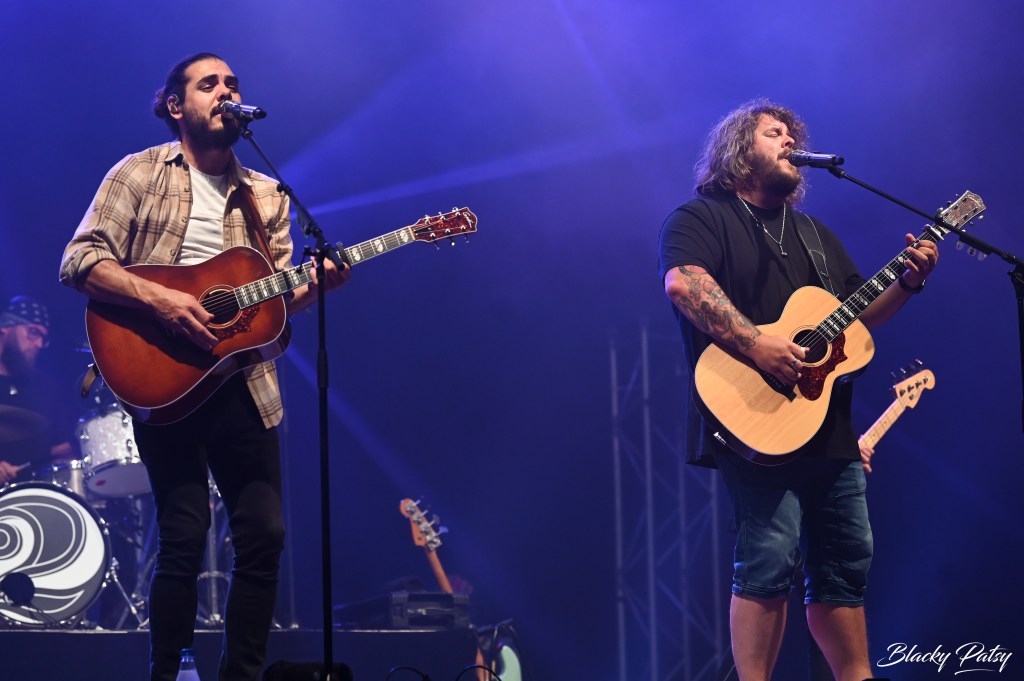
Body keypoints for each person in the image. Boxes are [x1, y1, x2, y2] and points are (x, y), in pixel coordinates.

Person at [59, 53, 349, 681]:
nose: (226, 91)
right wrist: (160, 298)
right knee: (185, 537)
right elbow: (79, 260)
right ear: (175, 105)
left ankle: (240, 676)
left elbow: (268, 301)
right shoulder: (138, 173)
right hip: (160, 374)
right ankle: (168, 672)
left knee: (264, 536)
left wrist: (315, 286)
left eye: (233, 84)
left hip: (241, 380)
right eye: (208, 83)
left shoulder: (267, 195)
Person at [658, 99, 937, 681]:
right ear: (738, 151)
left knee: (846, 564)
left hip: (828, 428)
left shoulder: (814, 235)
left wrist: (909, 280)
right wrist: (757, 346)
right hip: (753, 415)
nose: (789, 141)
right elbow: (685, 284)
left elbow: (860, 317)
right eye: (773, 132)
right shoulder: (703, 217)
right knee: (769, 557)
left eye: (793, 134)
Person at [0, 295, 73, 485]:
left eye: (43, 337)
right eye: (33, 332)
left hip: (40, 494)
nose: (39, 344)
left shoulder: (46, 388)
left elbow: (62, 449)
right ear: (4, 330)